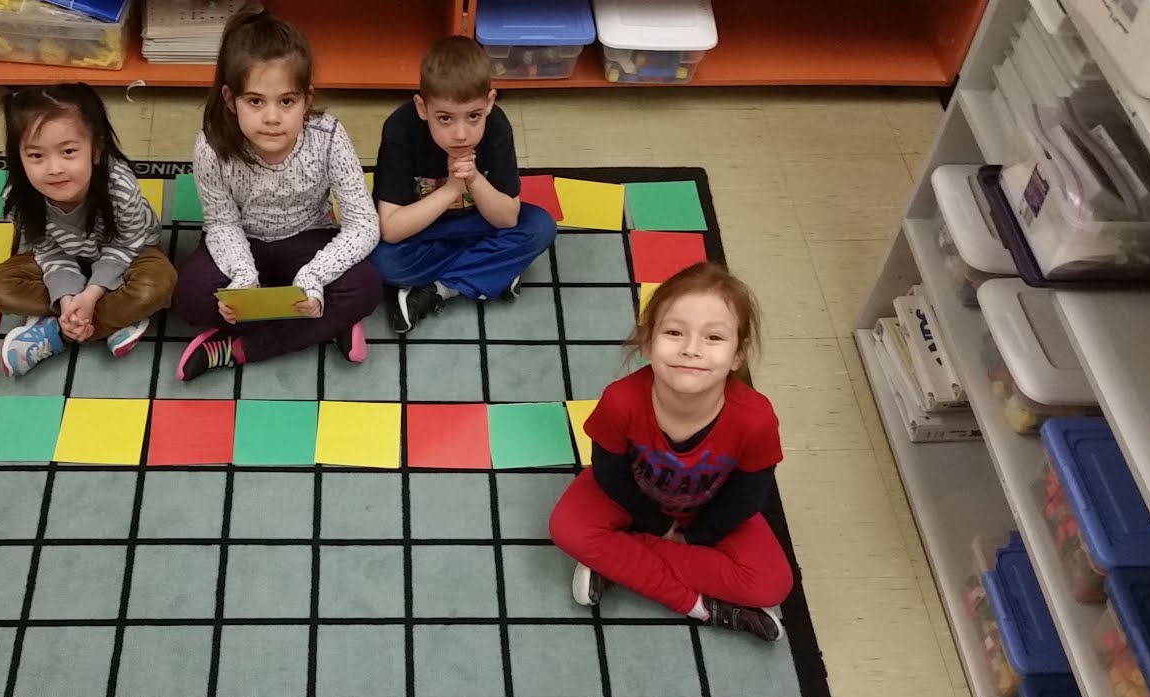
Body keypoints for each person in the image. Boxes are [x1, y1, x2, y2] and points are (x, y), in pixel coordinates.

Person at [547, 262, 794, 642]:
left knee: (771, 585)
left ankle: (616, 560)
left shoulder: (756, 419)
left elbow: (746, 499)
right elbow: (611, 474)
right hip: (630, 498)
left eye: (714, 338)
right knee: (566, 528)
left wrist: (693, 537)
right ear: (648, 342)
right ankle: (701, 608)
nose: (691, 349)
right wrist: (660, 528)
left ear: (738, 355)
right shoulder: (620, 401)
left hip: (709, 510)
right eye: (674, 332)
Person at [170, 8, 381, 382]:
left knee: (365, 288)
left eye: (286, 101)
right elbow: (221, 223)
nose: (272, 118)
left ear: (306, 99)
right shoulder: (211, 146)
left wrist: (314, 277)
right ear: (230, 99)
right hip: (243, 241)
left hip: (309, 240)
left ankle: (239, 348)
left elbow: (363, 225)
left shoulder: (329, 137)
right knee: (190, 297)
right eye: (255, 101)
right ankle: (328, 322)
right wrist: (242, 282)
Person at [0, 83, 175, 377]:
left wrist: (91, 294)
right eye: (36, 156)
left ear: (95, 150)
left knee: (158, 284)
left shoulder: (119, 185)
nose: (54, 168)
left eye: (68, 152)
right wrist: (67, 297)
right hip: (67, 260)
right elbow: (49, 253)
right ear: (18, 157)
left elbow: (127, 245)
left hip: (129, 256)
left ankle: (57, 332)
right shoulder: (19, 197)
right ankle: (111, 319)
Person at [371, 35, 556, 334]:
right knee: (379, 262)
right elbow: (391, 229)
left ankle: (438, 288)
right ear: (422, 107)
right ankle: (492, 269)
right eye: (445, 118)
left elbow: (507, 218)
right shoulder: (400, 130)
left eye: (473, 116)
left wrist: (474, 179)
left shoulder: (497, 127)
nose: (461, 134)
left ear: (490, 103)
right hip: (421, 230)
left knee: (541, 227)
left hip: (477, 224)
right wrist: (451, 190)